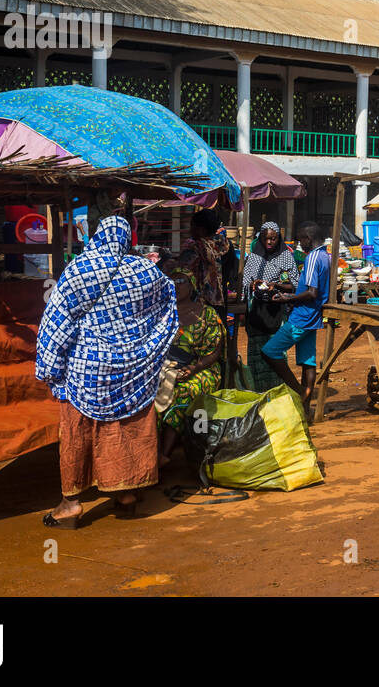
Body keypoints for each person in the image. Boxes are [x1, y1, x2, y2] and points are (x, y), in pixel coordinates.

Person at [35, 216, 178, 528]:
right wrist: (150, 348)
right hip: (133, 371)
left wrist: (48, 367)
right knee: (125, 430)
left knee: (78, 433)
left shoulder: (81, 269)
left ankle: (72, 503)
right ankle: (126, 495)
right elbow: (169, 305)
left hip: (86, 371)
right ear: (128, 240)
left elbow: (57, 322)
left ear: (98, 236)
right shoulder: (146, 271)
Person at [156, 264, 226, 466]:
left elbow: (215, 352)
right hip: (168, 367)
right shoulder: (162, 314)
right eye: (172, 282)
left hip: (202, 368)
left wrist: (193, 369)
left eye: (181, 282)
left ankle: (164, 455)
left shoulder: (207, 314)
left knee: (183, 391)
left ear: (192, 285)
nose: (176, 286)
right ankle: (151, 449)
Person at [263, 222, 329, 413]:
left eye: (301, 240)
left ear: (308, 238)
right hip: (314, 316)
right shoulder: (326, 256)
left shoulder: (312, 258)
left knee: (269, 352)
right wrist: (281, 288)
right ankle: (305, 409)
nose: (301, 244)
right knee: (308, 362)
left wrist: (287, 298)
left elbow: (312, 292)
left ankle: (300, 391)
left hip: (302, 316)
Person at [242, 221, 299, 392]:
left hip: (277, 309)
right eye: (266, 239)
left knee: (276, 350)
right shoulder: (252, 258)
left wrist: (277, 285)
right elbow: (244, 284)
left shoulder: (286, 257)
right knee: (256, 351)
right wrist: (253, 284)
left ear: (278, 238)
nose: (269, 242)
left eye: (273, 239)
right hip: (256, 311)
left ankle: (278, 391)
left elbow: (296, 284)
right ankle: (258, 391)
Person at [180, 208, 232, 306]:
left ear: (201, 229)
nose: (190, 230)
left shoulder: (193, 247)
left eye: (193, 226)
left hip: (197, 304)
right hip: (220, 299)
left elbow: (182, 271)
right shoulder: (226, 245)